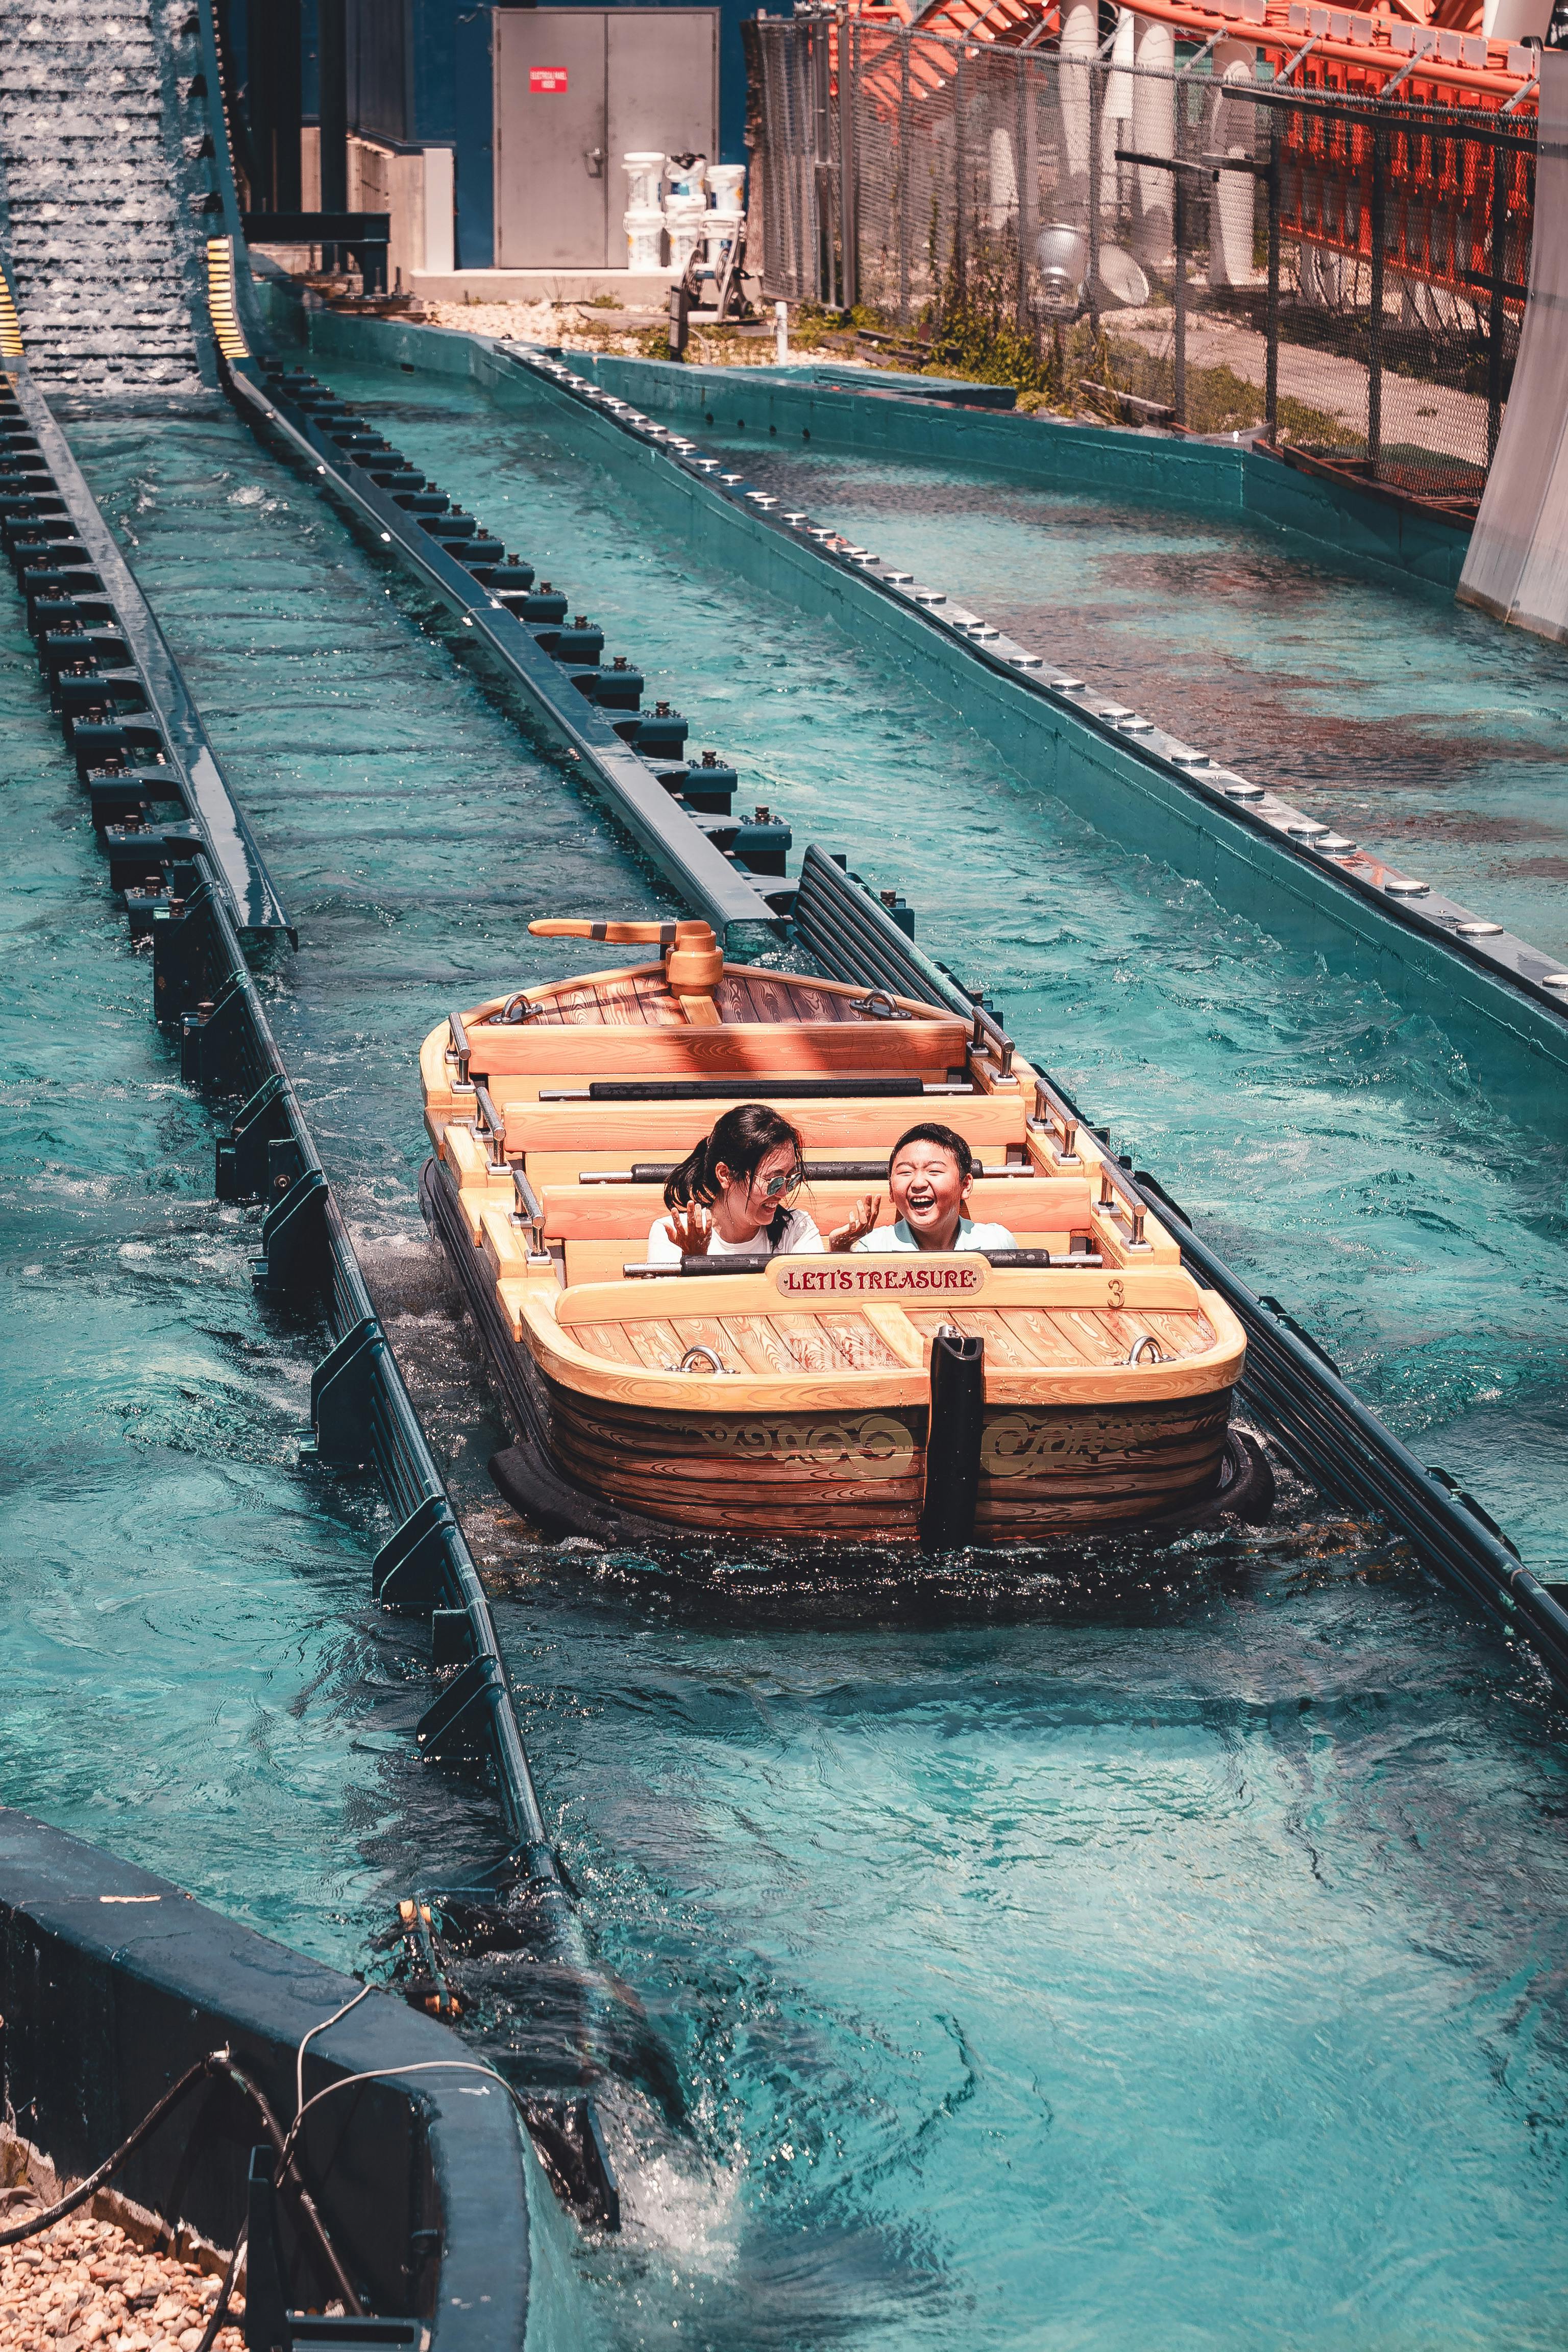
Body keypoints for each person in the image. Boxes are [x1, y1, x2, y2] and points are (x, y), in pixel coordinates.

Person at [647, 1101, 855, 1261]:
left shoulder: (796, 1230)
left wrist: (839, 1253)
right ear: (725, 1175)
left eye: (791, 1179)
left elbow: (811, 1301)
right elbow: (667, 1304)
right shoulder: (674, 1234)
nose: (784, 1192)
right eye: (773, 1180)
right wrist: (694, 1260)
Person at [833, 1121, 1017, 1255]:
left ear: (965, 1185)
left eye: (934, 1171)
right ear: (891, 1190)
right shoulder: (873, 1247)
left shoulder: (997, 1242)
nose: (918, 1183)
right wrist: (839, 1251)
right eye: (906, 1172)